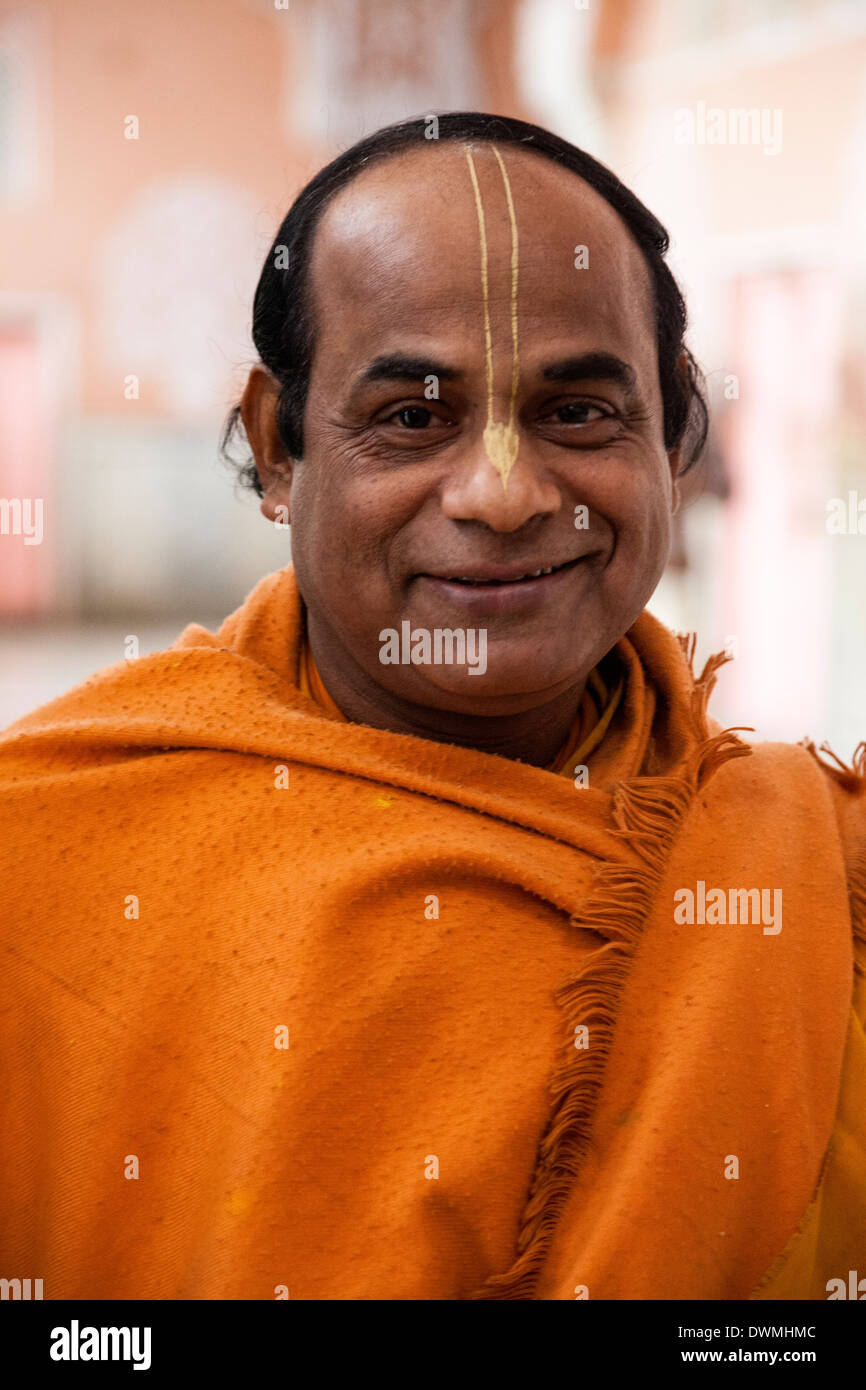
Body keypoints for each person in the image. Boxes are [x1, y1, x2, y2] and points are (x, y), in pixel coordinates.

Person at [0, 112, 863, 1301]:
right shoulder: (45, 851)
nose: (502, 494)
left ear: (673, 437)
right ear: (281, 447)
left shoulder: (812, 885)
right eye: (412, 416)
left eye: (575, 413)